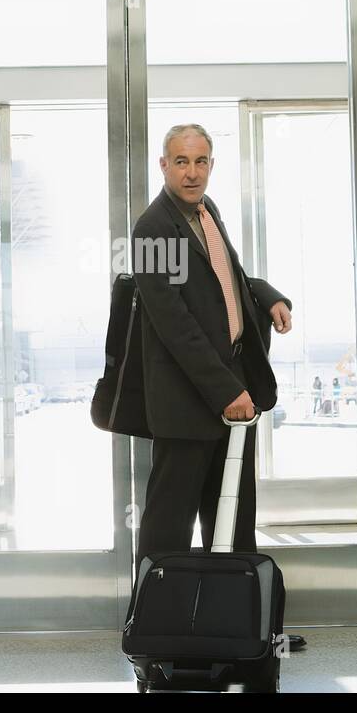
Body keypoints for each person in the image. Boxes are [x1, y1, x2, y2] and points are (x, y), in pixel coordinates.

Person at [128, 122, 302, 646]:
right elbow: (174, 325)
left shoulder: (208, 212)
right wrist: (226, 390)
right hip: (189, 404)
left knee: (234, 519)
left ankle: (240, 629)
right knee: (168, 530)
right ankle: (158, 632)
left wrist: (269, 296)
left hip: (232, 398)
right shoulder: (153, 230)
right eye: (181, 161)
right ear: (163, 165)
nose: (192, 171)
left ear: (211, 165)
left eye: (201, 161)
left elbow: (231, 277)